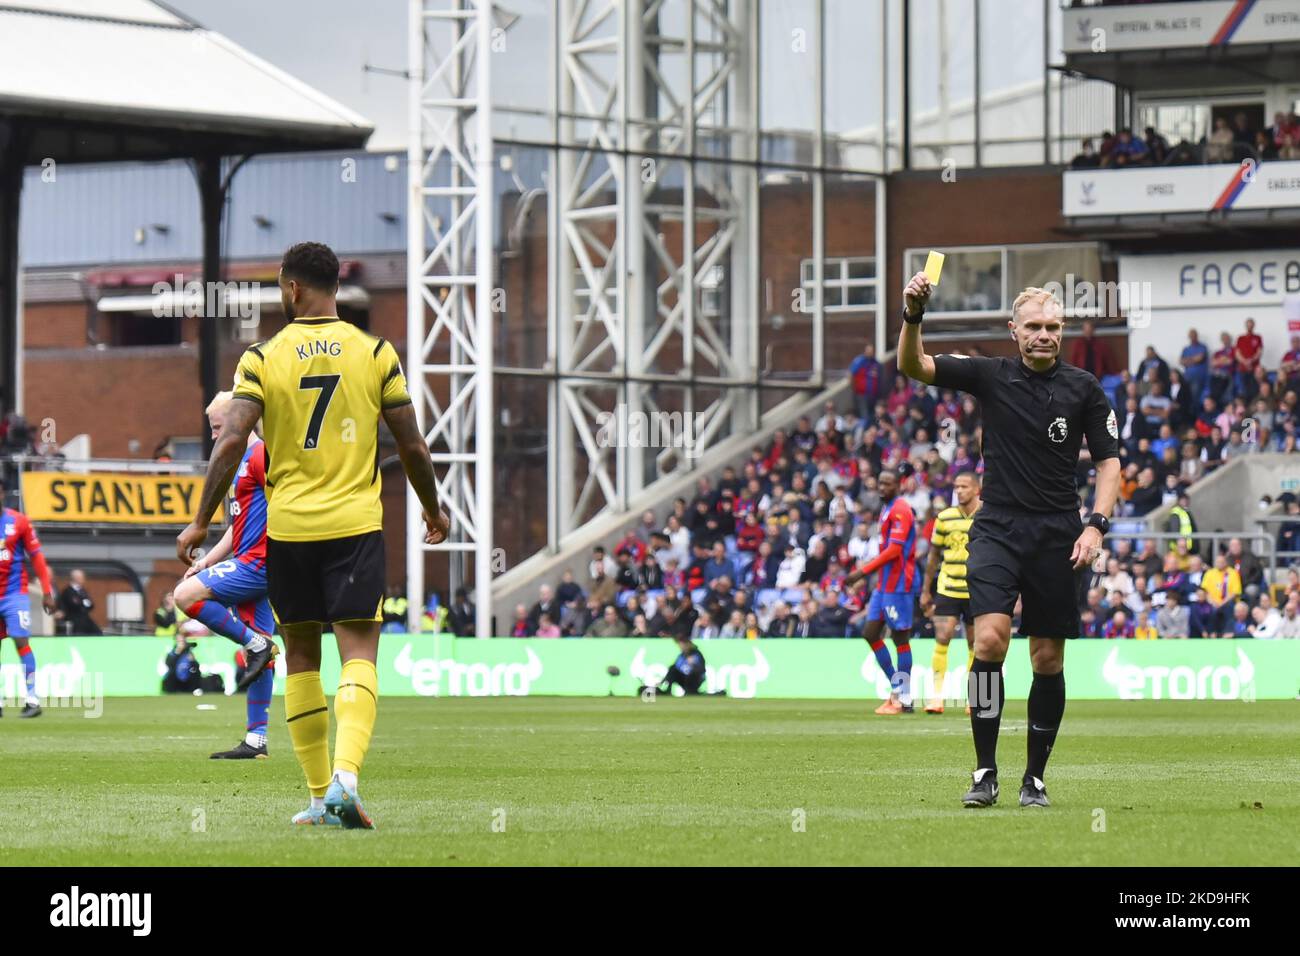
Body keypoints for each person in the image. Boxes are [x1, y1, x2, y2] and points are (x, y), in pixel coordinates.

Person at [177, 242, 450, 829]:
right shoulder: (376, 353)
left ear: (292, 288)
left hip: (291, 531)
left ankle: (320, 792)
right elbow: (412, 444)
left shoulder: (262, 357)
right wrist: (433, 508)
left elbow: (231, 441)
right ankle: (347, 781)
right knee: (359, 650)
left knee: (300, 657)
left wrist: (201, 519)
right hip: (354, 526)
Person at [897, 274, 1121, 809]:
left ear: (1061, 330)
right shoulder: (989, 375)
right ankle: (984, 770)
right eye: (1034, 327)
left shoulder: (1083, 387)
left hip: (1059, 533)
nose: (1044, 335)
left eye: (1053, 327)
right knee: (989, 642)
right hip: (997, 527)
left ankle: (1035, 778)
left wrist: (1096, 524)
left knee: (1047, 657)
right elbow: (914, 366)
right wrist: (913, 316)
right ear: (1013, 330)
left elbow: (1110, 463)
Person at [172, 392, 280, 759]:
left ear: (240, 419)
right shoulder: (239, 463)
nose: (216, 437)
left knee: (185, 596)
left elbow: (288, 501)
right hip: (249, 561)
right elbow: (238, 529)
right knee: (263, 649)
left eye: (219, 428)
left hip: (259, 564)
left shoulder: (264, 454)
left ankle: (254, 645)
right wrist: (205, 563)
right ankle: (256, 740)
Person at [844, 469, 918, 715]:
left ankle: (904, 697)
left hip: (899, 585)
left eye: (888, 483)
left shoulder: (901, 510)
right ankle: (897, 688)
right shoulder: (886, 510)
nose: (883, 487)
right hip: (884, 585)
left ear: (898, 485)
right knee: (870, 633)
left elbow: (894, 551)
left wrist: (862, 572)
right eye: (880, 483)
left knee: (900, 638)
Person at [920, 472, 981, 714]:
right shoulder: (944, 518)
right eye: (957, 486)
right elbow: (934, 555)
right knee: (942, 637)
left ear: (977, 489)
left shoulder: (986, 516)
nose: (959, 490)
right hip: (948, 588)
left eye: (964, 486)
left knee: (975, 644)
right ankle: (936, 698)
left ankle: (974, 699)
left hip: (977, 590)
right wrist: (926, 589)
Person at [0, 503, 57, 717]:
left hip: (14, 593)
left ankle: (32, 698)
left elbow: (37, 556)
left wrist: (47, 591)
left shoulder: (18, 521)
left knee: (21, 641)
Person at [641, 635, 712, 696]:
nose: (681, 646)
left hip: (695, 679)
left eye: (682, 644)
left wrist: (693, 664)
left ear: (687, 644)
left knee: (691, 675)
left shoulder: (696, 654)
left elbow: (701, 670)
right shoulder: (682, 656)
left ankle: (690, 691)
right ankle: (668, 690)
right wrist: (663, 681)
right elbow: (675, 668)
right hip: (684, 678)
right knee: (672, 669)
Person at [58, 568, 100, 636]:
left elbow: (91, 604)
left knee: (97, 632)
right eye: (82, 577)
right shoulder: (68, 591)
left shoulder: (82, 591)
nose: (83, 579)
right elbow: (74, 605)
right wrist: (83, 603)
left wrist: (83, 603)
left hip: (85, 617)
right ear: (76, 578)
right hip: (73, 619)